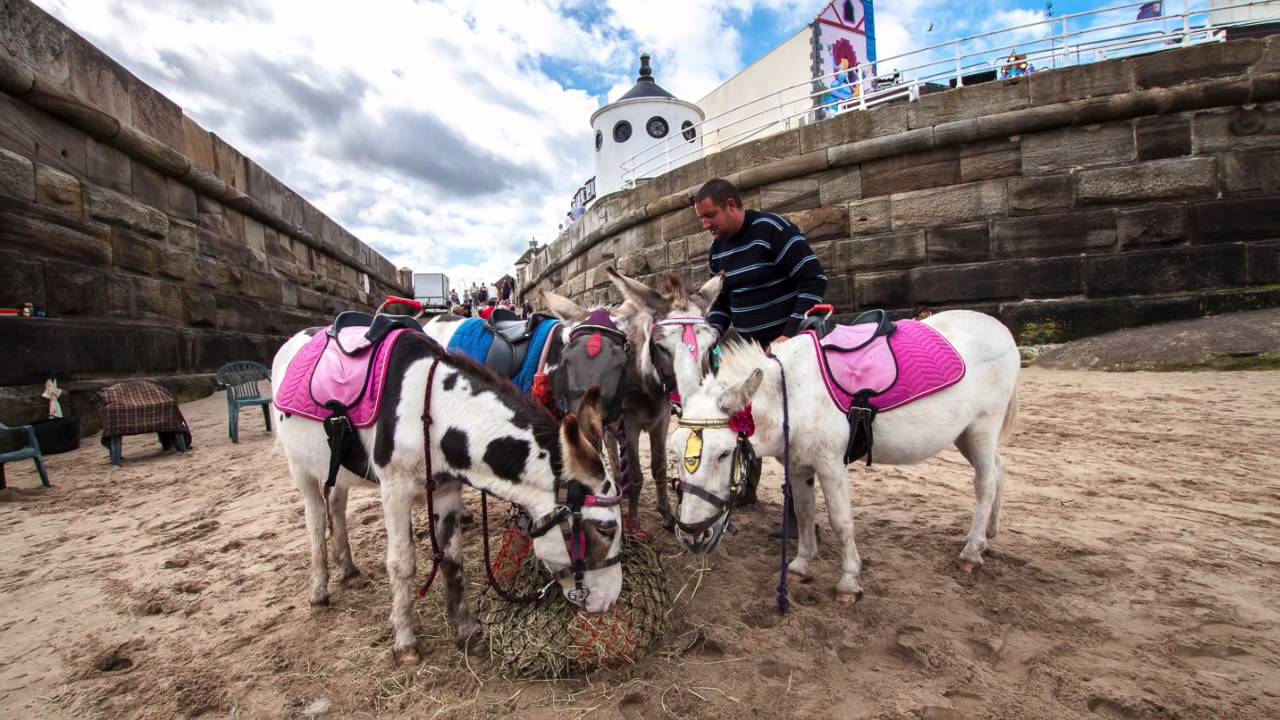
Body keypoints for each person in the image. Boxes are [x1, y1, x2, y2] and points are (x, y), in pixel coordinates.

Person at [693, 177, 828, 539]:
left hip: (792, 349)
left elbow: (815, 281)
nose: (706, 225)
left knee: (792, 433)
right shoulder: (718, 250)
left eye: (711, 216)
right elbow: (723, 304)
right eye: (702, 219)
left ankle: (797, 512)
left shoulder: (773, 230)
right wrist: (710, 335)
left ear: (733, 205)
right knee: (742, 421)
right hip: (751, 352)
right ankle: (747, 487)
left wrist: (790, 330)